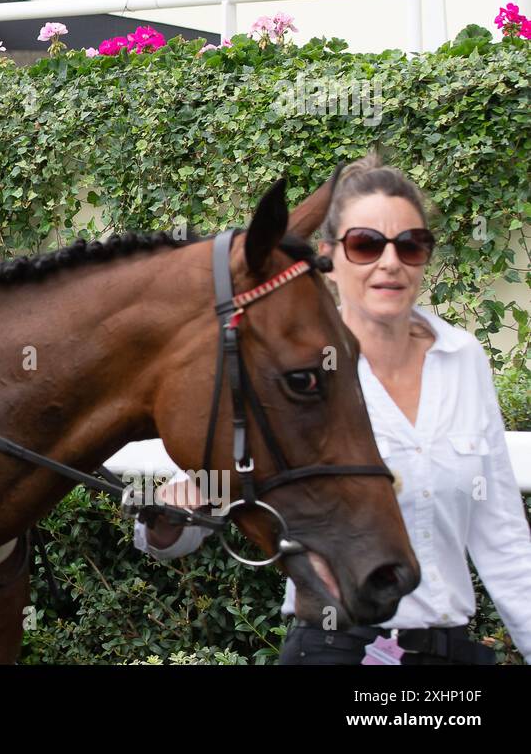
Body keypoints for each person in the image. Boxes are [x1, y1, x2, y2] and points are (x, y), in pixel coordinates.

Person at [133, 156, 531, 665]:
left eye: (410, 245)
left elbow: (504, 540)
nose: (390, 263)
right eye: (366, 245)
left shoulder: (464, 359)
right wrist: (170, 519)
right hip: (332, 647)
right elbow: (200, 502)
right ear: (329, 256)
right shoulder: (290, 368)